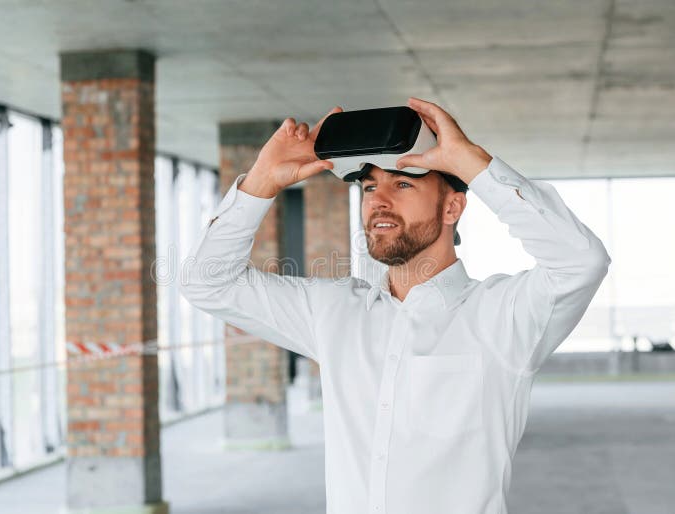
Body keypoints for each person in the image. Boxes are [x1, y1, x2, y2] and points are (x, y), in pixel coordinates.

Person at [179, 97, 611, 514]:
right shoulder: (332, 312)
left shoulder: (503, 316)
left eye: (402, 183)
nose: (378, 201)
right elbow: (207, 283)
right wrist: (261, 182)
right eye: (369, 187)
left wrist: (473, 165)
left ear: (453, 206)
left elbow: (581, 261)